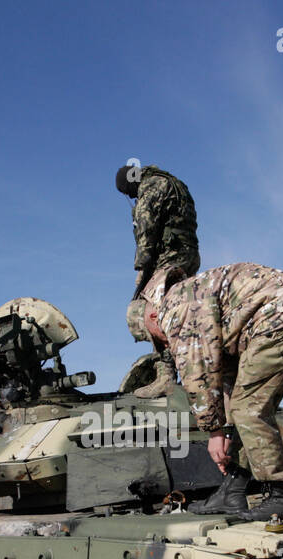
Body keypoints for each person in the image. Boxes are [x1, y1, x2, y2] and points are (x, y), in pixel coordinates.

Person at [141, 262, 283, 520]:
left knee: (248, 409)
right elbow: (230, 377)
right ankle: (233, 489)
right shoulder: (197, 295)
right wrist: (229, 428)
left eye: (158, 338)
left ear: (153, 318)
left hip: (282, 317)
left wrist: (214, 432)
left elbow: (197, 370)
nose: (165, 343)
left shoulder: (175, 305)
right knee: (249, 407)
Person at [116, 163, 199, 399]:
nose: (132, 198)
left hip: (167, 260)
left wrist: (142, 267)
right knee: (182, 317)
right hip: (188, 257)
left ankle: (166, 378)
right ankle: (191, 372)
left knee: (148, 314)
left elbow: (146, 228)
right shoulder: (175, 183)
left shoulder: (151, 187)